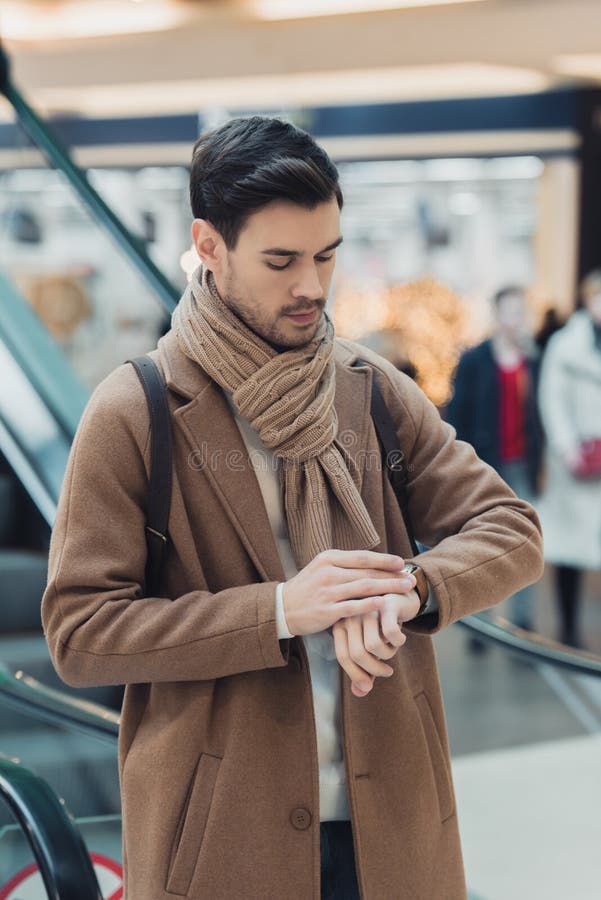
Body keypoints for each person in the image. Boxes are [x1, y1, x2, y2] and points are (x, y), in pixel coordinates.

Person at [41, 117, 543, 900]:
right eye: (281, 260)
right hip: (220, 835)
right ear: (209, 246)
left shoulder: (368, 388)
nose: (311, 284)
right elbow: (81, 632)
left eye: (326, 255)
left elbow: (509, 528)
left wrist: (407, 586)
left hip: (392, 827)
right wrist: (278, 609)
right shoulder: (135, 410)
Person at [446, 286, 543, 633]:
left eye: (521, 311)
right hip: (486, 463)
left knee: (526, 540)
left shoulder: (533, 360)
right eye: (509, 311)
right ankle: (484, 621)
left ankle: (523, 623)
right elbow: (457, 414)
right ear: (497, 314)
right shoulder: (475, 359)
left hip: (522, 463)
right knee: (484, 543)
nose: (515, 319)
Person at [536, 270, 601, 647]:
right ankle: (569, 625)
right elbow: (552, 400)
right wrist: (567, 448)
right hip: (575, 462)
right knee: (571, 549)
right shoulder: (566, 344)